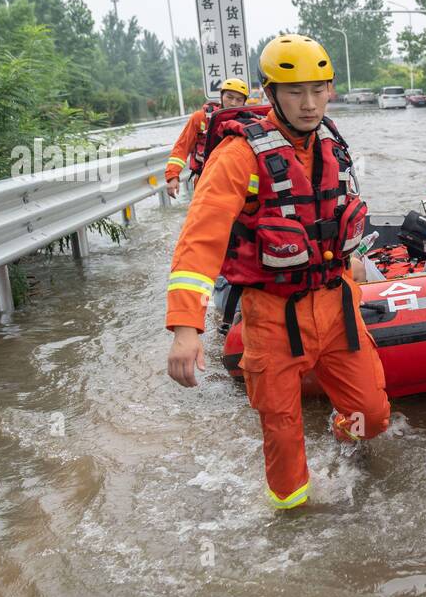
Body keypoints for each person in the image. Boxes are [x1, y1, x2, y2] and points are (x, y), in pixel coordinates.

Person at [165, 35, 390, 510]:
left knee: (371, 413)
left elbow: (338, 213)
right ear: (270, 93)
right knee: (283, 436)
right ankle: (294, 522)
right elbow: (200, 240)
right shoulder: (238, 154)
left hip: (336, 303)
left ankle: (341, 445)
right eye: (294, 92)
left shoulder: (332, 141)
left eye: (318, 89)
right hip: (272, 314)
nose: (309, 104)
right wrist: (186, 327)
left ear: (330, 88)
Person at [164, 78, 249, 197]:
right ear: (221, 96)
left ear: (244, 102)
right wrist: (172, 177)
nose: (233, 103)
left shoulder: (248, 122)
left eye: (239, 99)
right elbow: (181, 148)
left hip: (235, 183)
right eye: (229, 97)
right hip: (205, 180)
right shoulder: (201, 118)